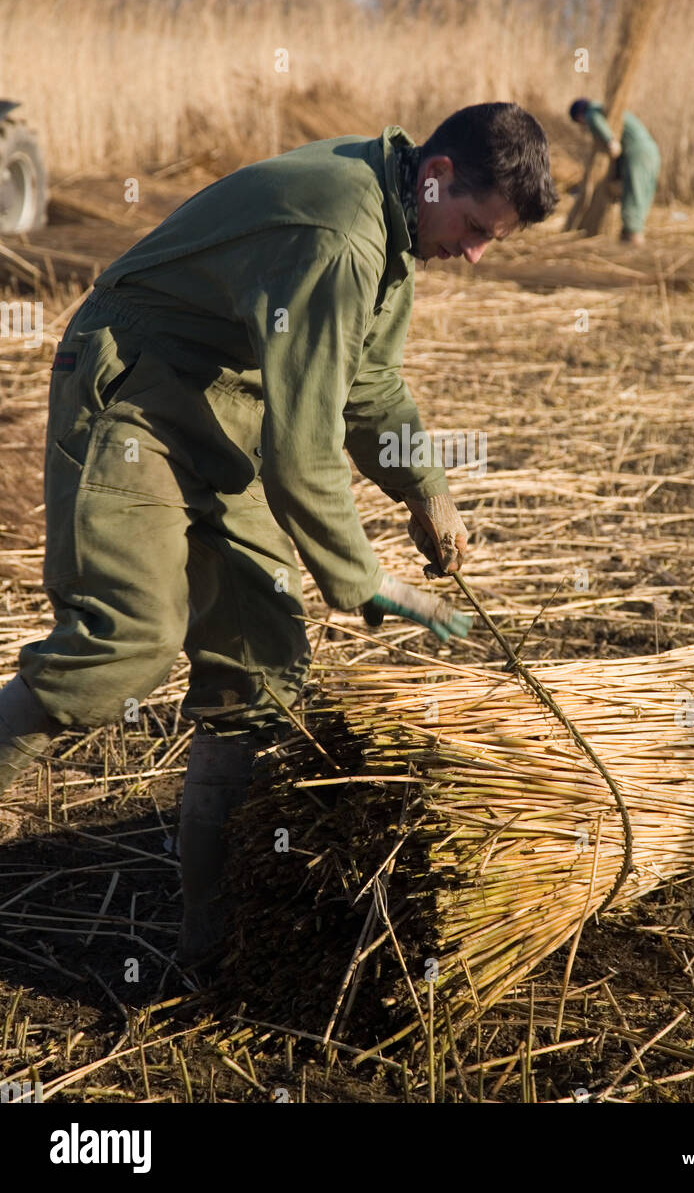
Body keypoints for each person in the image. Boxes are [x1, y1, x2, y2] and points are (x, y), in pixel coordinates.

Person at [0, 102, 558, 970]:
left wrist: (426, 491)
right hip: (137, 395)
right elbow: (302, 454)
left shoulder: (395, 222)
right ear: (439, 175)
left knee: (261, 661)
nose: (476, 253)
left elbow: (369, 384)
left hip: (222, 406)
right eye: (477, 229)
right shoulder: (341, 233)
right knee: (128, 642)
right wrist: (363, 578)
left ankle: (210, 949)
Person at [569, 98, 660, 244]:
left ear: (579, 117)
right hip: (651, 150)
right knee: (643, 193)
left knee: (633, 192)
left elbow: (593, 119)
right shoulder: (607, 109)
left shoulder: (592, 112)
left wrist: (610, 141)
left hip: (637, 153)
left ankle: (633, 236)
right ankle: (630, 233)